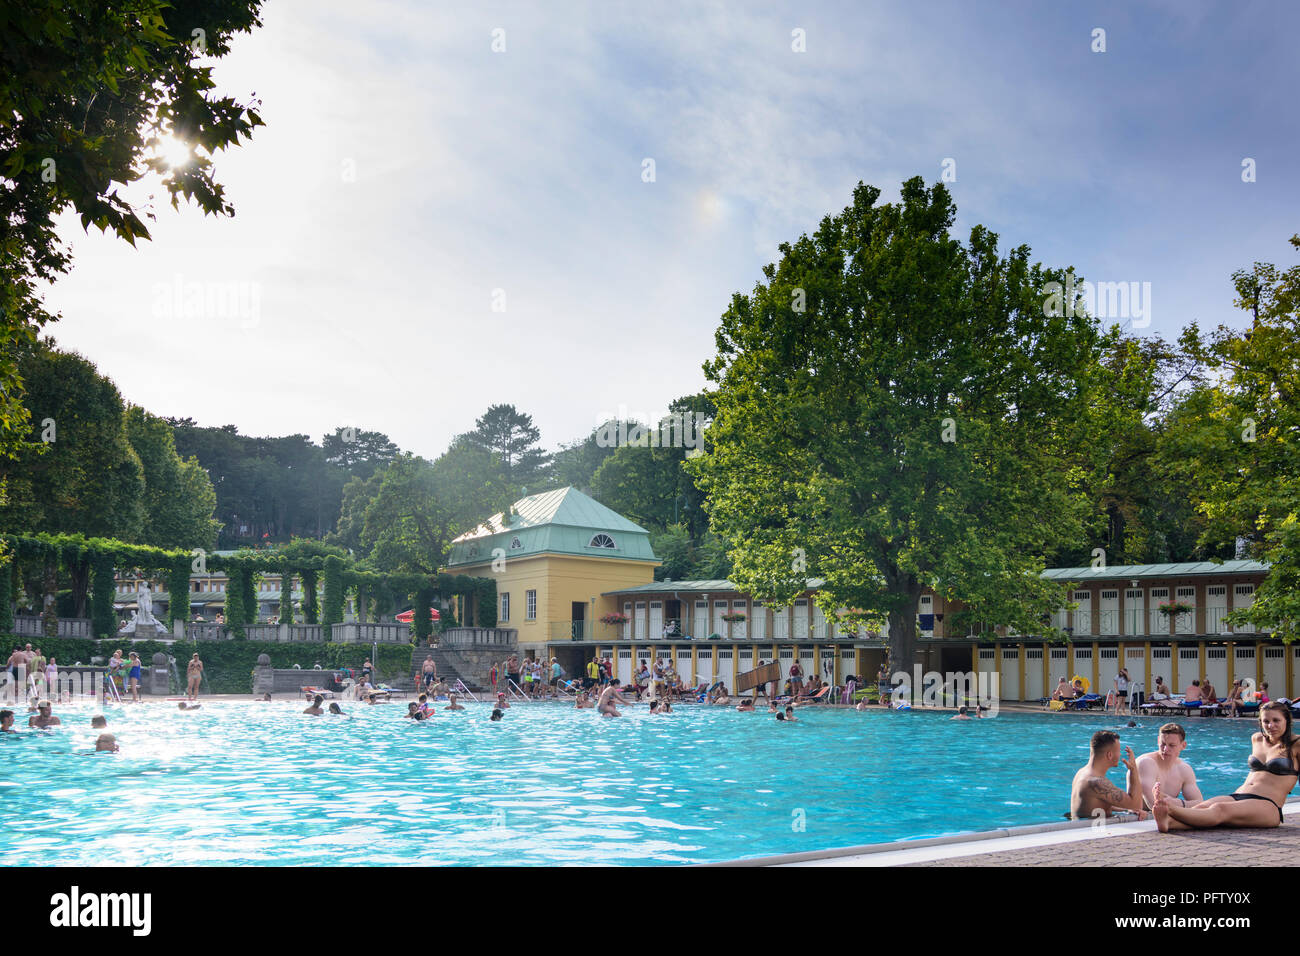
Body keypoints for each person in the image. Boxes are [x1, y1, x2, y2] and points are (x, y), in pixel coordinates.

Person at [1153, 702, 1300, 832]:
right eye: (1266, 721)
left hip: (1268, 806)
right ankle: (1169, 823)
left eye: (1276, 720)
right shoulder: (1257, 739)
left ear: (1286, 720)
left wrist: (1171, 806)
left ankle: (1170, 809)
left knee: (1219, 809)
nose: (1270, 726)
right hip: (1239, 795)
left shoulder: (1296, 744)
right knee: (1202, 808)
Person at [1069, 731, 1145, 820]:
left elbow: (1096, 803)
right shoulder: (1096, 782)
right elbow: (1137, 805)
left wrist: (1126, 810)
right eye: (1119, 751)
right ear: (1109, 755)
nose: (1120, 754)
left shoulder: (1082, 773)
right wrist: (1133, 769)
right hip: (1093, 831)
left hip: (1084, 828)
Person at [1133, 723, 1203, 811]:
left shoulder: (1184, 769)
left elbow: (1199, 803)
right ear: (1158, 741)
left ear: (1183, 745)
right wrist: (1177, 804)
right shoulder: (1146, 763)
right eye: (1163, 744)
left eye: (1172, 745)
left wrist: (1177, 802)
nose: (1165, 749)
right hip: (1139, 818)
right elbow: (1153, 805)